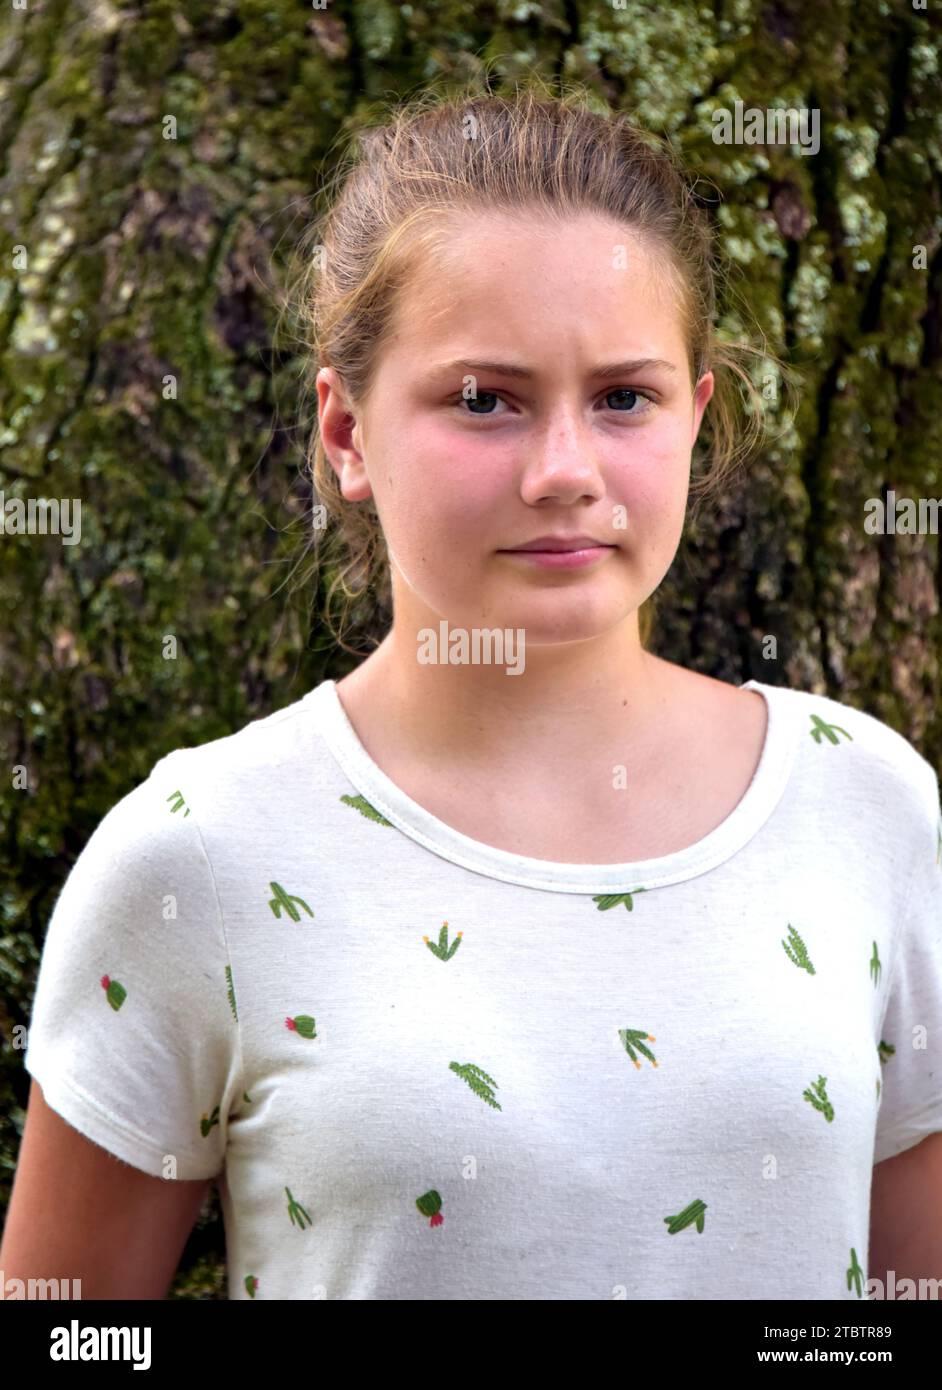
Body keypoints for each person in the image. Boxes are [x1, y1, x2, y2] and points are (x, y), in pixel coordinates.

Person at [4, 84, 941, 1302]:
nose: (565, 471)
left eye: (624, 397)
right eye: (484, 400)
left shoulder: (868, 806)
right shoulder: (199, 856)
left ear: (697, 418)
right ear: (346, 431)